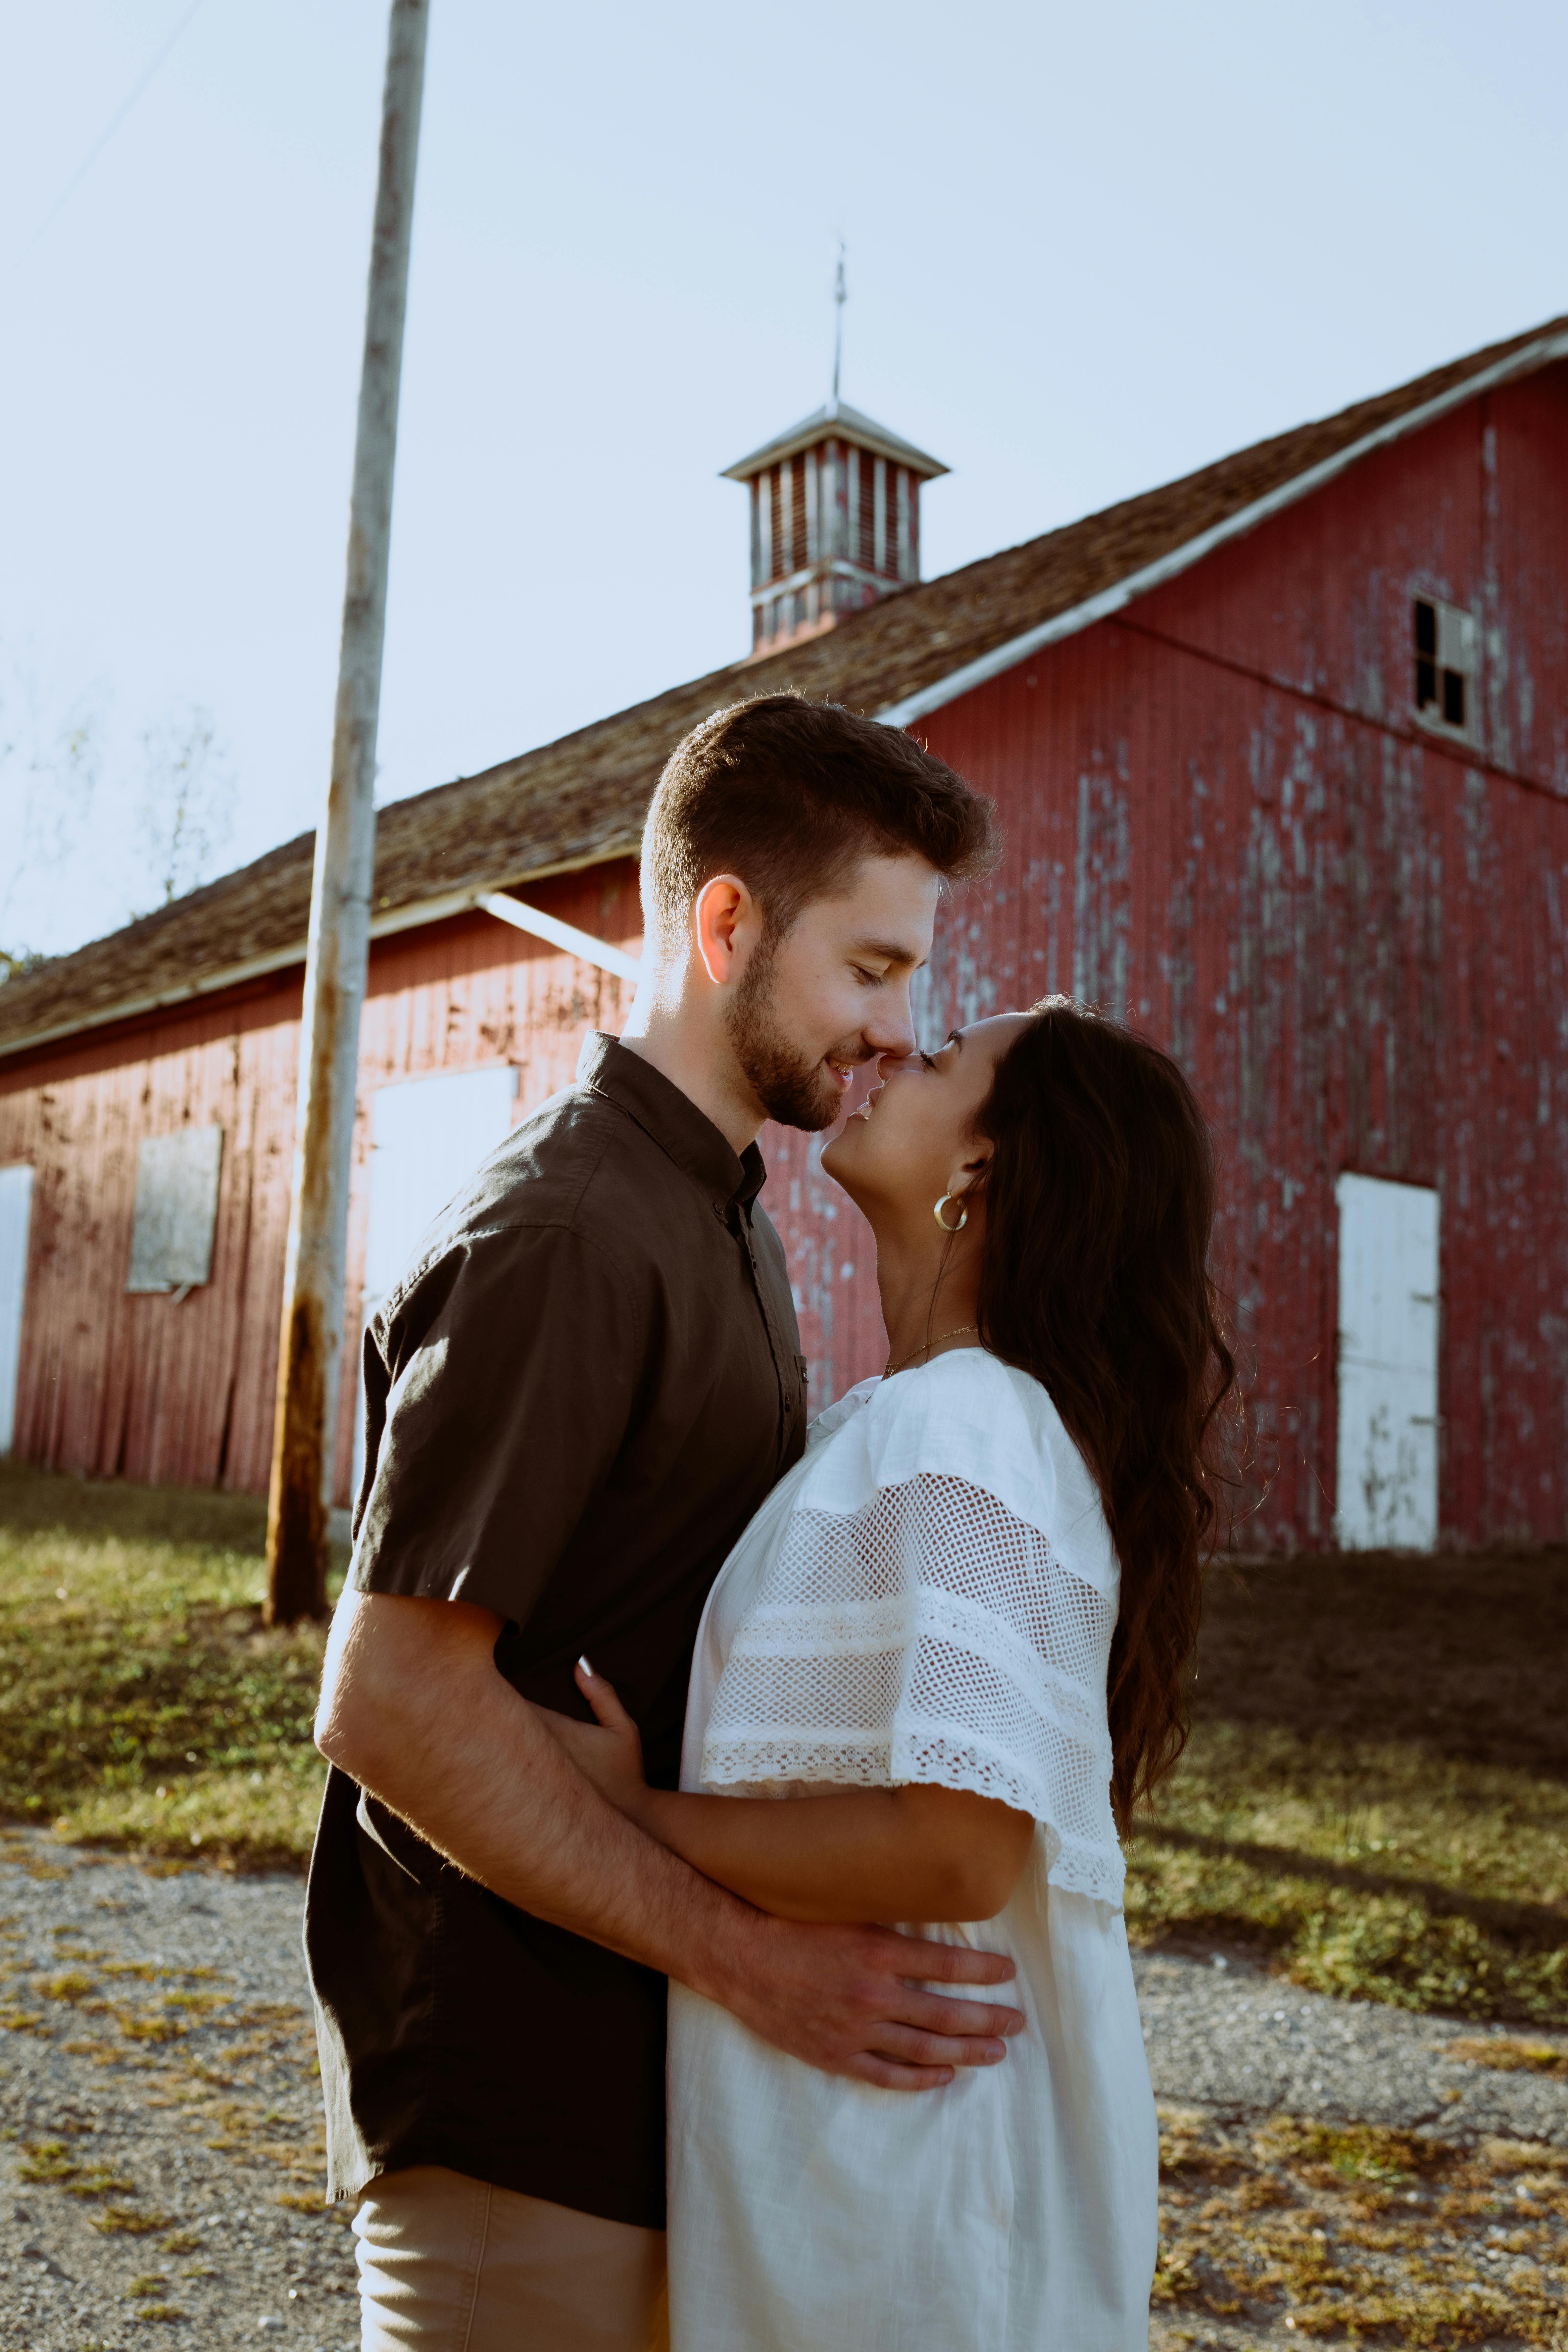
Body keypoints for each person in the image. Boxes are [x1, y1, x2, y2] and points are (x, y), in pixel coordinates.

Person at [305, 692, 1020, 2352]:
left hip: (644, 2092)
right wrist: (751, 1958)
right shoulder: (569, 1231)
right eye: (872, 967)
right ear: (725, 925)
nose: (899, 1027)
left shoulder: (726, 1218)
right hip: (510, 2111)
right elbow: (390, 1700)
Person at [546, 996, 1238, 2351]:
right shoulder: (928, 1423)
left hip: (921, 2185)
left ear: (980, 1171)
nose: (885, 1057)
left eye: (939, 1060)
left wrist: (630, 1816)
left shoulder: (968, 1429)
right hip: (875, 2151)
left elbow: (955, 1847)